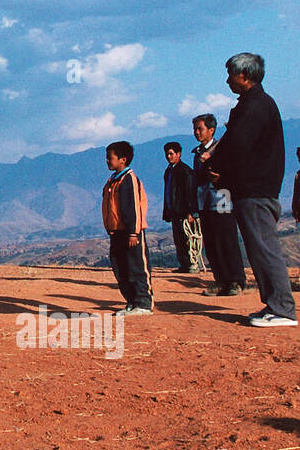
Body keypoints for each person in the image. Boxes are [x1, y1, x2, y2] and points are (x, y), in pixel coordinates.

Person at [200, 53, 298, 327]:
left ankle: (283, 309)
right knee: (258, 248)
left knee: (265, 248)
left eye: (231, 74)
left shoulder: (255, 106)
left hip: (255, 189)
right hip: (249, 188)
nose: (228, 80)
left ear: (245, 76)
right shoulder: (252, 104)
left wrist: (219, 167)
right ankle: (274, 305)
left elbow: (238, 146)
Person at [191, 113, 247, 296]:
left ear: (211, 130)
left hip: (222, 199)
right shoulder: (199, 152)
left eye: (200, 129)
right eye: (195, 129)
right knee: (212, 243)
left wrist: (219, 173)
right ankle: (221, 280)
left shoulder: (222, 149)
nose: (196, 132)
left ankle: (236, 281)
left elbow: (233, 170)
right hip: (205, 201)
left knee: (227, 241)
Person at [102, 141, 152, 316]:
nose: (107, 160)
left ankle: (143, 303)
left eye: (111, 157)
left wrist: (134, 232)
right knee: (121, 268)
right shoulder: (113, 180)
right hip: (117, 232)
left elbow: (133, 208)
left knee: (136, 266)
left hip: (131, 233)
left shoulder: (129, 179)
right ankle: (131, 301)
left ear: (123, 159)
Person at [161, 142, 201, 273]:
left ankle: (193, 264)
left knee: (188, 238)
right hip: (174, 211)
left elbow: (190, 192)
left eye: (171, 153)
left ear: (178, 154)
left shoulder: (185, 171)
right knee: (178, 239)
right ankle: (184, 264)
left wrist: (191, 212)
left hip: (184, 212)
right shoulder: (169, 171)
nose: (168, 156)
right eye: (167, 154)